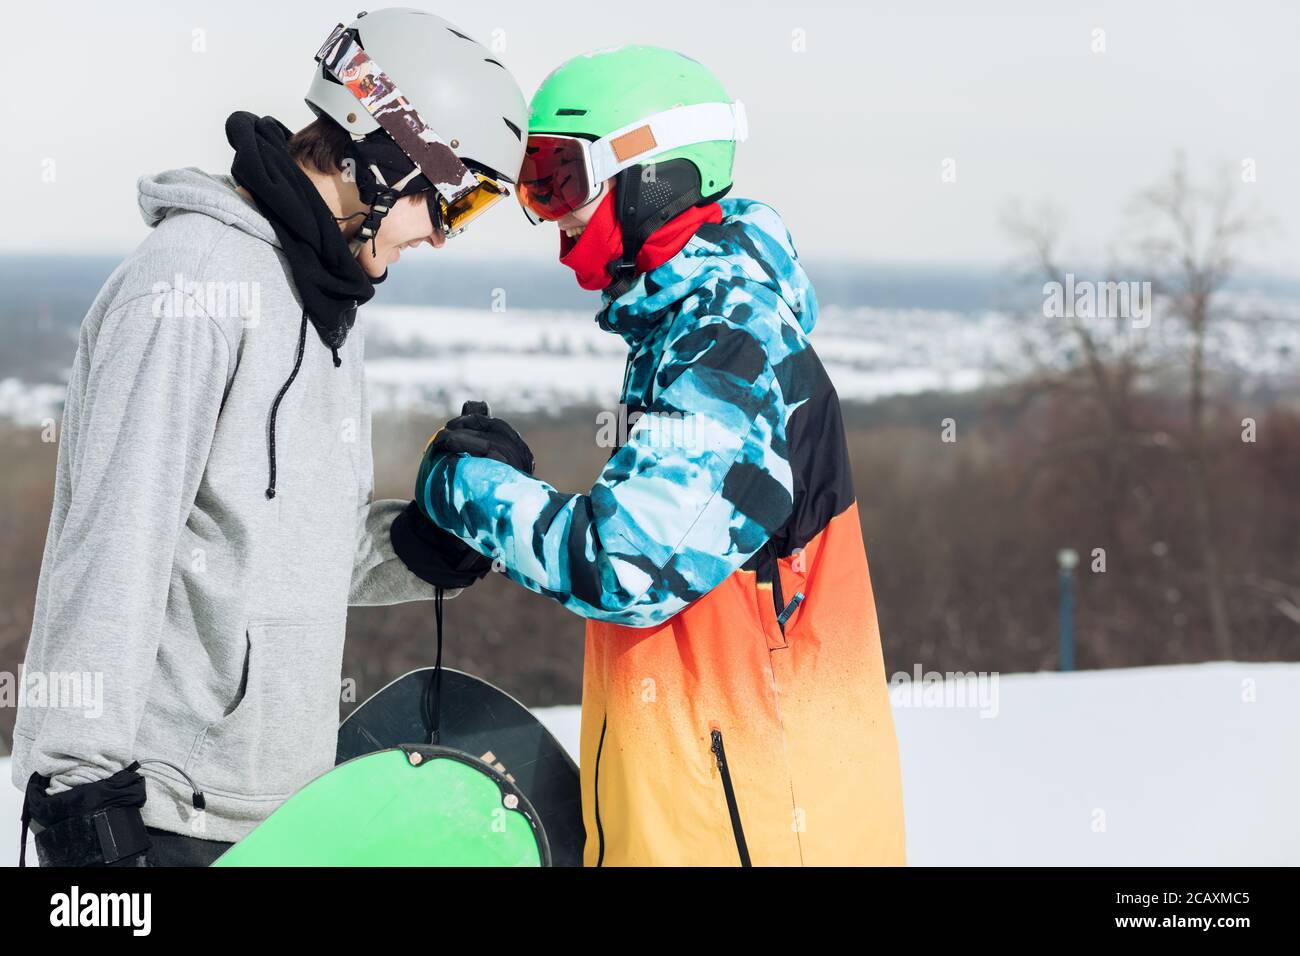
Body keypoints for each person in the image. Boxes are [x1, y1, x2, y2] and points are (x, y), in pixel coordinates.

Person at [13, 9, 528, 867]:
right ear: (387, 150)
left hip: (280, 814)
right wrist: (80, 806)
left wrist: (418, 544)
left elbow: (264, 548)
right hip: (157, 815)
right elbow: (111, 553)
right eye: (456, 196)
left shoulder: (323, 299)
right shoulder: (190, 290)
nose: (444, 232)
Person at [412, 46, 907, 865]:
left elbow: (626, 568)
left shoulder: (729, 343)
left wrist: (462, 485)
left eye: (561, 178)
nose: (549, 211)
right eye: (534, 182)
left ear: (652, 175)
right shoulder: (684, 326)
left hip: (757, 827)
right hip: (712, 817)